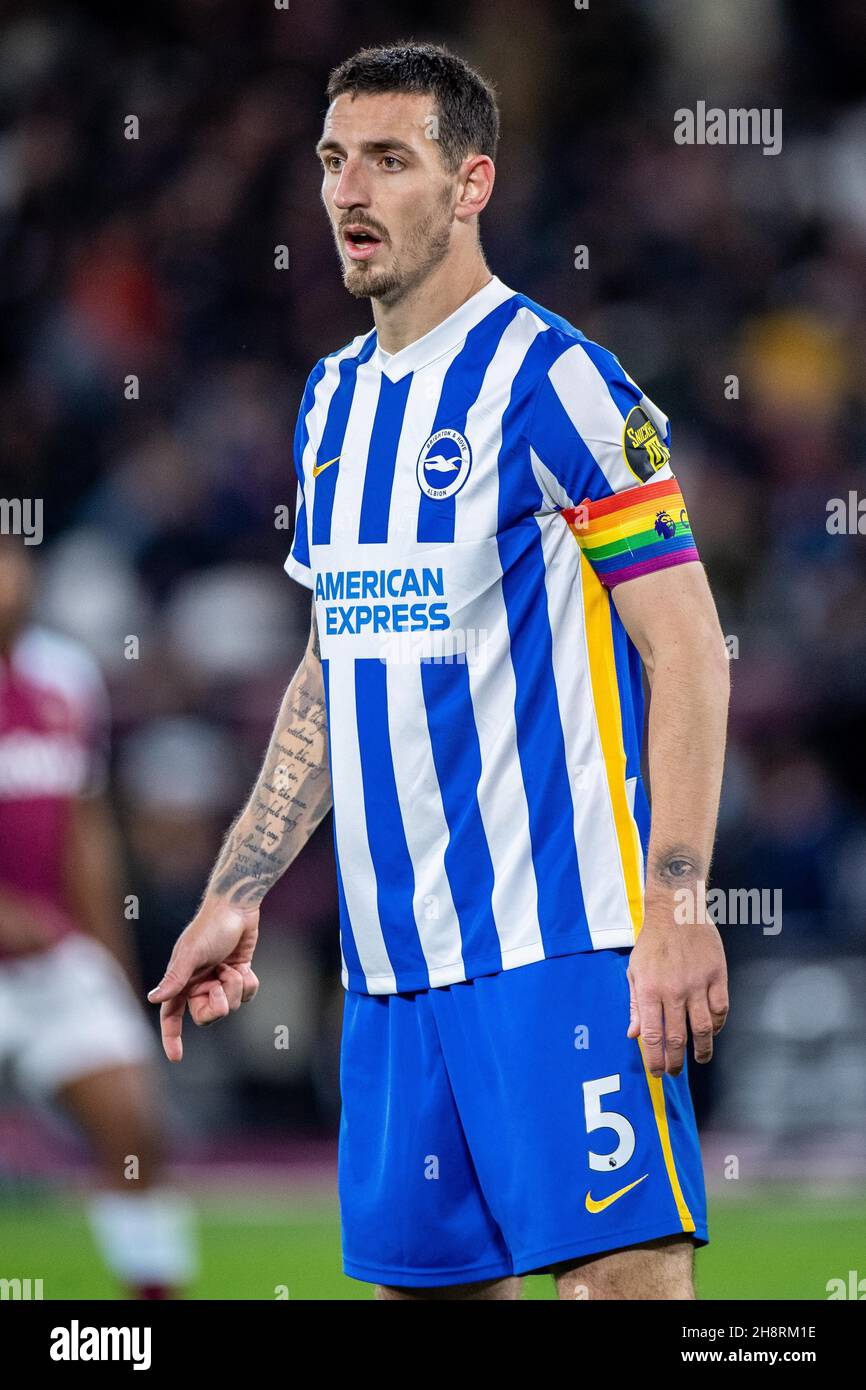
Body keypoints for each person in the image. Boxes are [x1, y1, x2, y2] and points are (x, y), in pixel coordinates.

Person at [149, 41, 730, 1301]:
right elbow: (330, 661)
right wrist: (239, 884)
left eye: (388, 161)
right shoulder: (330, 404)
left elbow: (685, 644)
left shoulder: (556, 379)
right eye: (331, 161)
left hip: (559, 939)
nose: (347, 192)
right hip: (391, 970)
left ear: (469, 183)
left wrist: (678, 901)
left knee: (618, 1285)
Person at [0, 538, 196, 1298]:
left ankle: (148, 1315)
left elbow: (86, 829)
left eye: (15, 557)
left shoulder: (66, 676)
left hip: (53, 953)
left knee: (135, 1129)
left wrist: (111, 957)